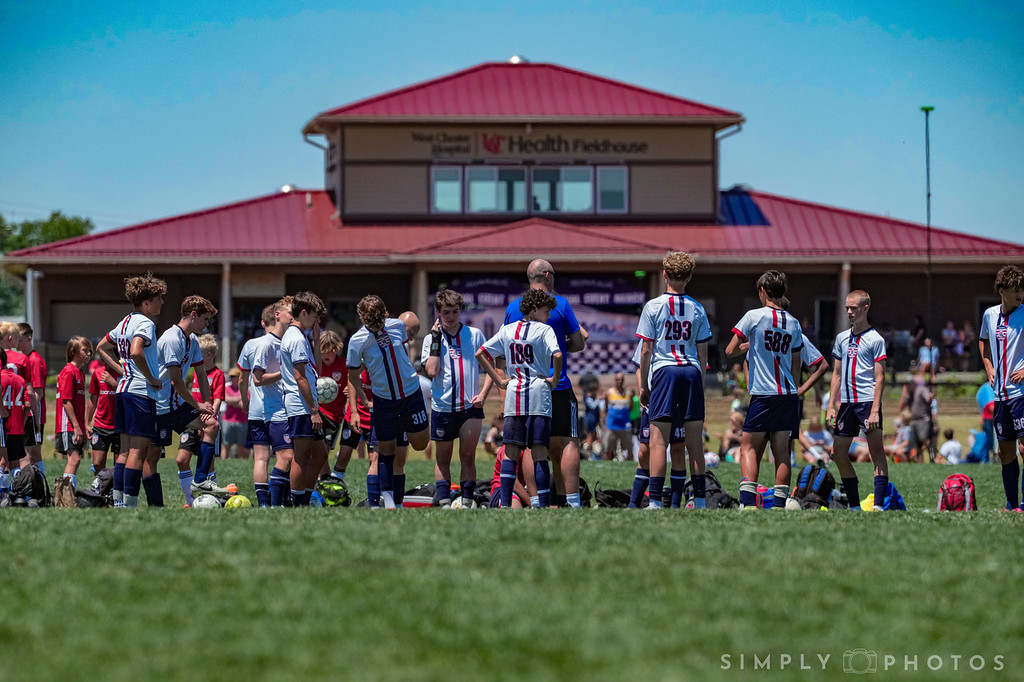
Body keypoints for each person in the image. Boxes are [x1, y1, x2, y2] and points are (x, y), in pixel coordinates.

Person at [504, 259, 587, 508]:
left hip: (524, 387)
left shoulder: (512, 307)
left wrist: (501, 385)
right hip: (556, 384)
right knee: (569, 441)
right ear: (548, 276)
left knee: (532, 445)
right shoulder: (560, 305)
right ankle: (571, 501)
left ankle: (538, 500)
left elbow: (502, 349)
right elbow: (579, 342)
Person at [637, 251, 711, 509]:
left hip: (665, 372)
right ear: (689, 277)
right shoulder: (698, 308)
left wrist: (645, 385)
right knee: (694, 443)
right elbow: (703, 354)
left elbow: (646, 351)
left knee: (658, 441)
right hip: (691, 371)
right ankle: (700, 500)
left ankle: (655, 501)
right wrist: (698, 383)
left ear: (664, 274)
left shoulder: (653, 306)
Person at [724, 270, 803, 510]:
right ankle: (779, 505)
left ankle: (747, 503)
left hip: (764, 394)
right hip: (788, 394)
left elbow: (730, 351)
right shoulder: (793, 322)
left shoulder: (753, 316)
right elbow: (796, 363)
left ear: (763, 291)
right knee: (782, 452)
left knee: (747, 446)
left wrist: (751, 343)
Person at [477, 288, 562, 508]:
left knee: (511, 451)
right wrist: (554, 378)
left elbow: (481, 353)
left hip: (514, 393)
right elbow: (558, 354)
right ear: (534, 309)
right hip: (538, 393)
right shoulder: (545, 330)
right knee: (539, 452)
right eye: (545, 311)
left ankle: (505, 504)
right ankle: (542, 504)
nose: (548, 316)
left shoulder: (508, 329)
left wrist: (498, 380)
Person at [347, 295, 429, 509]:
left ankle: (392, 499)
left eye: (378, 316)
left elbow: (399, 352)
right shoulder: (356, 341)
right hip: (384, 400)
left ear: (385, 313)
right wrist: (355, 410)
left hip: (411, 394)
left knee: (420, 444)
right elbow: (353, 377)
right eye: (369, 317)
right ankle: (389, 502)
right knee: (385, 450)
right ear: (362, 317)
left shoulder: (397, 327)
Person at [95, 273, 166, 508]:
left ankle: (118, 503)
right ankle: (131, 504)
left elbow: (101, 347)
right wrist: (152, 378)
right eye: (158, 299)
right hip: (139, 392)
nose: (162, 303)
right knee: (139, 450)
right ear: (146, 303)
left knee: (124, 451)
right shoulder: (146, 323)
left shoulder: (124, 321)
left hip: (124, 390)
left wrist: (123, 370)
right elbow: (136, 350)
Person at [422, 289, 492, 508]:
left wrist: (483, 394)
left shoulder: (474, 335)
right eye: (446, 312)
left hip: (469, 407)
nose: (451, 316)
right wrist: (435, 339)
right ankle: (443, 501)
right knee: (443, 457)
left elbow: (491, 368)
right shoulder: (431, 338)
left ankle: (468, 500)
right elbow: (432, 371)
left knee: (468, 455)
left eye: (455, 311)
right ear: (438, 312)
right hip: (442, 406)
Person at [825, 289, 891, 511]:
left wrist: (874, 410)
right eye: (847, 308)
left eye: (853, 308)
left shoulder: (876, 339)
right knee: (837, 453)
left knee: (877, 453)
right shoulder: (842, 338)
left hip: (866, 402)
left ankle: (879, 506)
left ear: (865, 308)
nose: (849, 312)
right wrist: (830, 406)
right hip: (845, 404)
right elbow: (835, 374)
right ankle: (854, 506)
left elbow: (880, 377)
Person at [151, 296, 218, 507]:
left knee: (211, 425)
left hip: (177, 406)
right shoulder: (172, 339)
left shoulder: (193, 340)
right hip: (159, 407)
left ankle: (200, 481)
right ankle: (155, 505)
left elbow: (201, 374)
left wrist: (207, 406)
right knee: (151, 458)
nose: (206, 324)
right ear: (193, 315)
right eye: (205, 319)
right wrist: (198, 405)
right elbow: (176, 381)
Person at [979, 265, 1024, 511]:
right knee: (1005, 452)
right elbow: (982, 341)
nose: (1020, 295)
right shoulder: (989, 315)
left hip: (1022, 394)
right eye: (1015, 290)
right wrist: (988, 367)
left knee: (1023, 448)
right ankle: (1011, 504)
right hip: (1001, 395)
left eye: (1022, 290)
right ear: (1002, 290)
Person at [280, 292, 326, 507]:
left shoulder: (303, 336)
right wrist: (313, 410)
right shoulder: (296, 337)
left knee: (320, 453)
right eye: (314, 316)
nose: (316, 321)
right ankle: (297, 502)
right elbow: (299, 377)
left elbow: (316, 368)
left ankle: (304, 497)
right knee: (302, 454)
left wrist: (316, 340)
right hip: (301, 406)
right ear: (304, 312)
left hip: (306, 404)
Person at [238, 303, 281, 507]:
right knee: (284, 456)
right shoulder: (282, 343)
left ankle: (263, 502)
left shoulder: (250, 344)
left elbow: (241, 378)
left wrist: (245, 401)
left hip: (256, 409)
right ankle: (279, 496)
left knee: (261, 458)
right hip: (280, 409)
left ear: (262, 323)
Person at [55, 336, 93, 489]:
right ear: (73, 351)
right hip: (68, 425)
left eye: (90, 350)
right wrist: (77, 426)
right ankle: (66, 497)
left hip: (75, 425)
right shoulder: (69, 371)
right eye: (85, 350)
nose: (89, 353)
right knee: (74, 459)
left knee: (75, 460)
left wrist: (83, 426)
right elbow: (66, 401)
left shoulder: (80, 373)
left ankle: (68, 496)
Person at [186, 334, 224, 484]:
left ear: (208, 355)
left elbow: (218, 399)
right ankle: (190, 493)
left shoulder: (218, 374)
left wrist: (210, 418)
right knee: (183, 458)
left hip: (209, 420)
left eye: (199, 354)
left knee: (208, 461)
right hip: (193, 417)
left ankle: (211, 488)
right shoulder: (196, 372)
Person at [318, 330, 350, 481]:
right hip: (317, 412)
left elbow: (355, 381)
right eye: (323, 351)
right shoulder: (315, 364)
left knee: (323, 453)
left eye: (330, 351)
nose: (327, 355)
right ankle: (323, 481)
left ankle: (325, 480)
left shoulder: (344, 365)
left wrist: (350, 388)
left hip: (334, 417)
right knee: (315, 450)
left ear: (336, 349)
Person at [18, 323, 47, 469]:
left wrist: (27, 411)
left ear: (28, 339)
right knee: (34, 454)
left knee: (29, 454)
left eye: (20, 339)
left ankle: (33, 488)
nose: (16, 342)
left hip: (32, 414)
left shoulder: (34, 360)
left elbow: (38, 392)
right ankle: (38, 488)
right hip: (30, 413)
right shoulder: (25, 358)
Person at [86, 359, 119, 476]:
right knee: (97, 463)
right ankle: (100, 491)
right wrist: (87, 423)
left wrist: (114, 384)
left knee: (119, 465)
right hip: (101, 425)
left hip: (120, 426)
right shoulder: (98, 372)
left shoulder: (124, 372)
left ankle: (115, 492)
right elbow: (93, 399)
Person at [603, 372, 633, 461]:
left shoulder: (628, 393)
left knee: (629, 448)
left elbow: (631, 407)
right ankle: (606, 465)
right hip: (612, 425)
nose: (619, 382)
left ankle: (630, 465)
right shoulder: (609, 393)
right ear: (614, 380)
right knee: (608, 449)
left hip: (625, 425)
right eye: (617, 380)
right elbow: (605, 407)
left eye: (621, 380)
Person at [220, 367, 249, 459]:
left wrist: (233, 401)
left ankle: (245, 465)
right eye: (232, 377)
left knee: (241, 445)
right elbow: (225, 399)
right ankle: (223, 463)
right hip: (227, 420)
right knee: (226, 445)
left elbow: (245, 403)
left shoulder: (245, 388)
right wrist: (239, 399)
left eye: (236, 376)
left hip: (242, 420)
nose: (234, 379)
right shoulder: (226, 387)